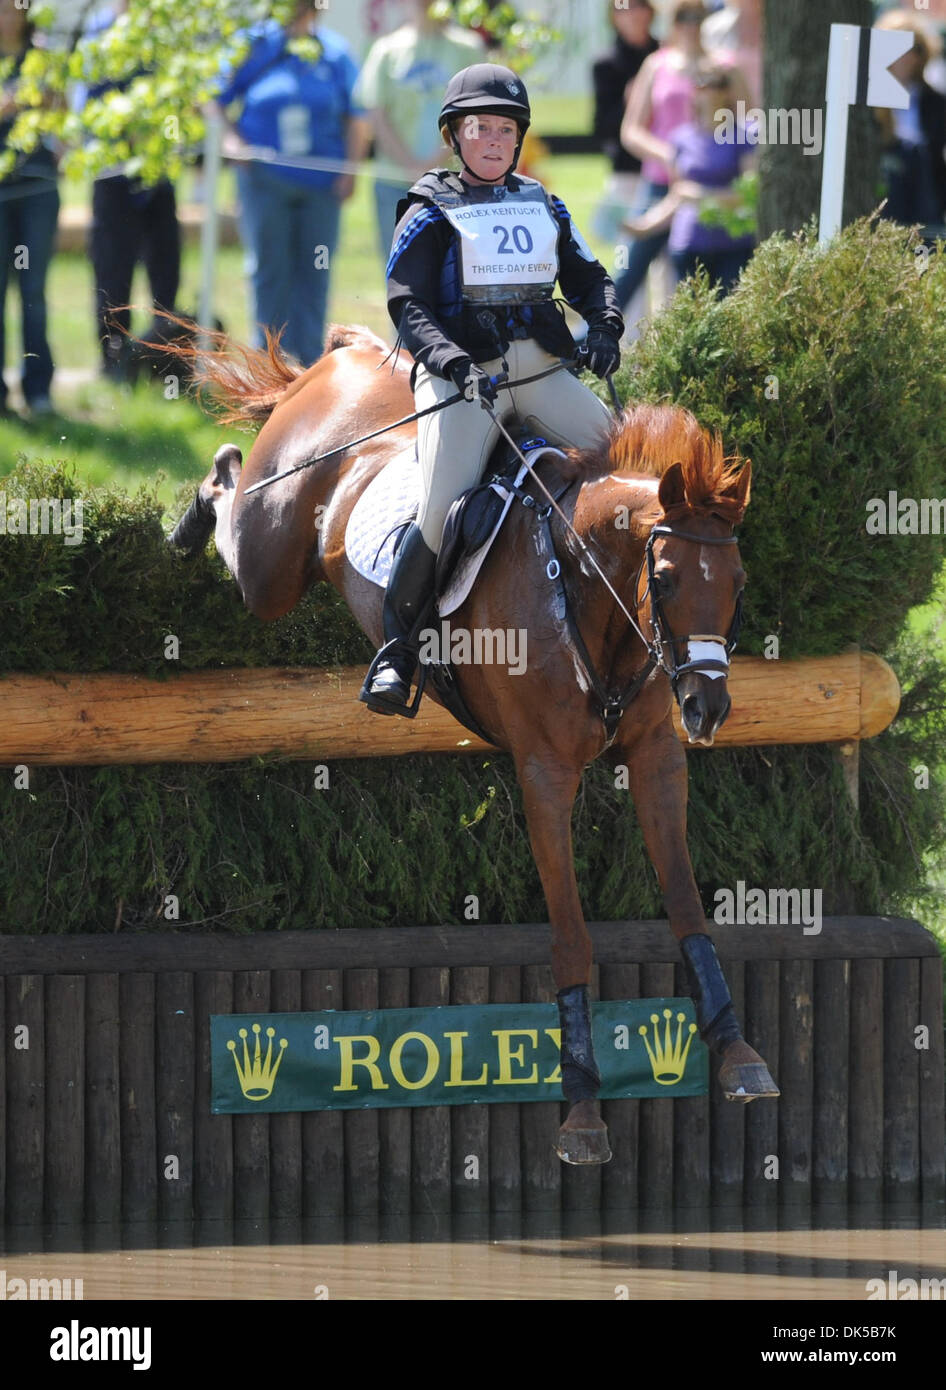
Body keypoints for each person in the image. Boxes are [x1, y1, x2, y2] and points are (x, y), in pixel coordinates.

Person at [361, 64, 624, 715]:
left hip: (540, 371)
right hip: (463, 380)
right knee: (442, 501)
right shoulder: (428, 208)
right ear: (455, 134)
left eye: (505, 130)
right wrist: (451, 362)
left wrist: (606, 325)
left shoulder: (543, 202)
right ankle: (398, 651)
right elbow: (408, 304)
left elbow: (591, 277)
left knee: (622, 461)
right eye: (480, 128)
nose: (494, 141)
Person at [213, 4, 367, 366]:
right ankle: (269, 364)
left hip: (321, 184)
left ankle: (312, 364)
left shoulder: (335, 52)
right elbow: (214, 100)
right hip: (264, 181)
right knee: (269, 270)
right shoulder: (250, 46)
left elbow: (356, 116)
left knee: (316, 270)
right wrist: (231, 142)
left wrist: (351, 170)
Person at [615, 2, 750, 327]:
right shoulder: (656, 65)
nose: (690, 25)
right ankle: (590, 338)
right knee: (628, 271)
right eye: (682, 17)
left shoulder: (726, 68)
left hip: (713, 185)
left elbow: (749, 121)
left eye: (697, 17)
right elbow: (631, 130)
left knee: (698, 283)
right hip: (662, 183)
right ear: (671, 22)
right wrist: (671, 156)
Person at [74, 0, 182, 384]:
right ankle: (113, 361)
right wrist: (125, 134)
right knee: (113, 272)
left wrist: (166, 140)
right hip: (113, 176)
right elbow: (87, 106)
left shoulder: (165, 37)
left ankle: (161, 362)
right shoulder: (99, 37)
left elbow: (179, 104)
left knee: (165, 271)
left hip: (159, 176)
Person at [354, 0, 485, 257]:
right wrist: (411, 167)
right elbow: (376, 115)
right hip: (395, 182)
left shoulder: (468, 48)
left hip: (455, 182)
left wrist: (435, 164)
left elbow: (474, 115)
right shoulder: (385, 50)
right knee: (400, 267)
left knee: (456, 268)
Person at [623, 66, 756, 292]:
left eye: (716, 85)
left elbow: (749, 194)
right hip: (689, 243)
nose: (709, 92)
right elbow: (677, 196)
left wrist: (703, 195)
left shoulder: (742, 138)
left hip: (732, 244)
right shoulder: (681, 139)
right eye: (702, 86)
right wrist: (645, 225)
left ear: (726, 92)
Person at [0, 7, 59, 415]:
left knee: (33, 291)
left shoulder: (42, 59)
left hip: (38, 188)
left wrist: (46, 99)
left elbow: (62, 117)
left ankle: (38, 388)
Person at [591, 0, 659, 243]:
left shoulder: (664, 55)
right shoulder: (606, 64)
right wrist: (630, 101)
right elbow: (602, 126)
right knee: (627, 248)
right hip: (628, 167)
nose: (631, 15)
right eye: (622, 8)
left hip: (664, 167)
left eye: (637, 6)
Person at [873, 11, 946, 232]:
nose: (907, 57)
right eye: (898, 48)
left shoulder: (936, 103)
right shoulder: (866, 103)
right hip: (883, 205)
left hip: (925, 208)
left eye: (915, 49)